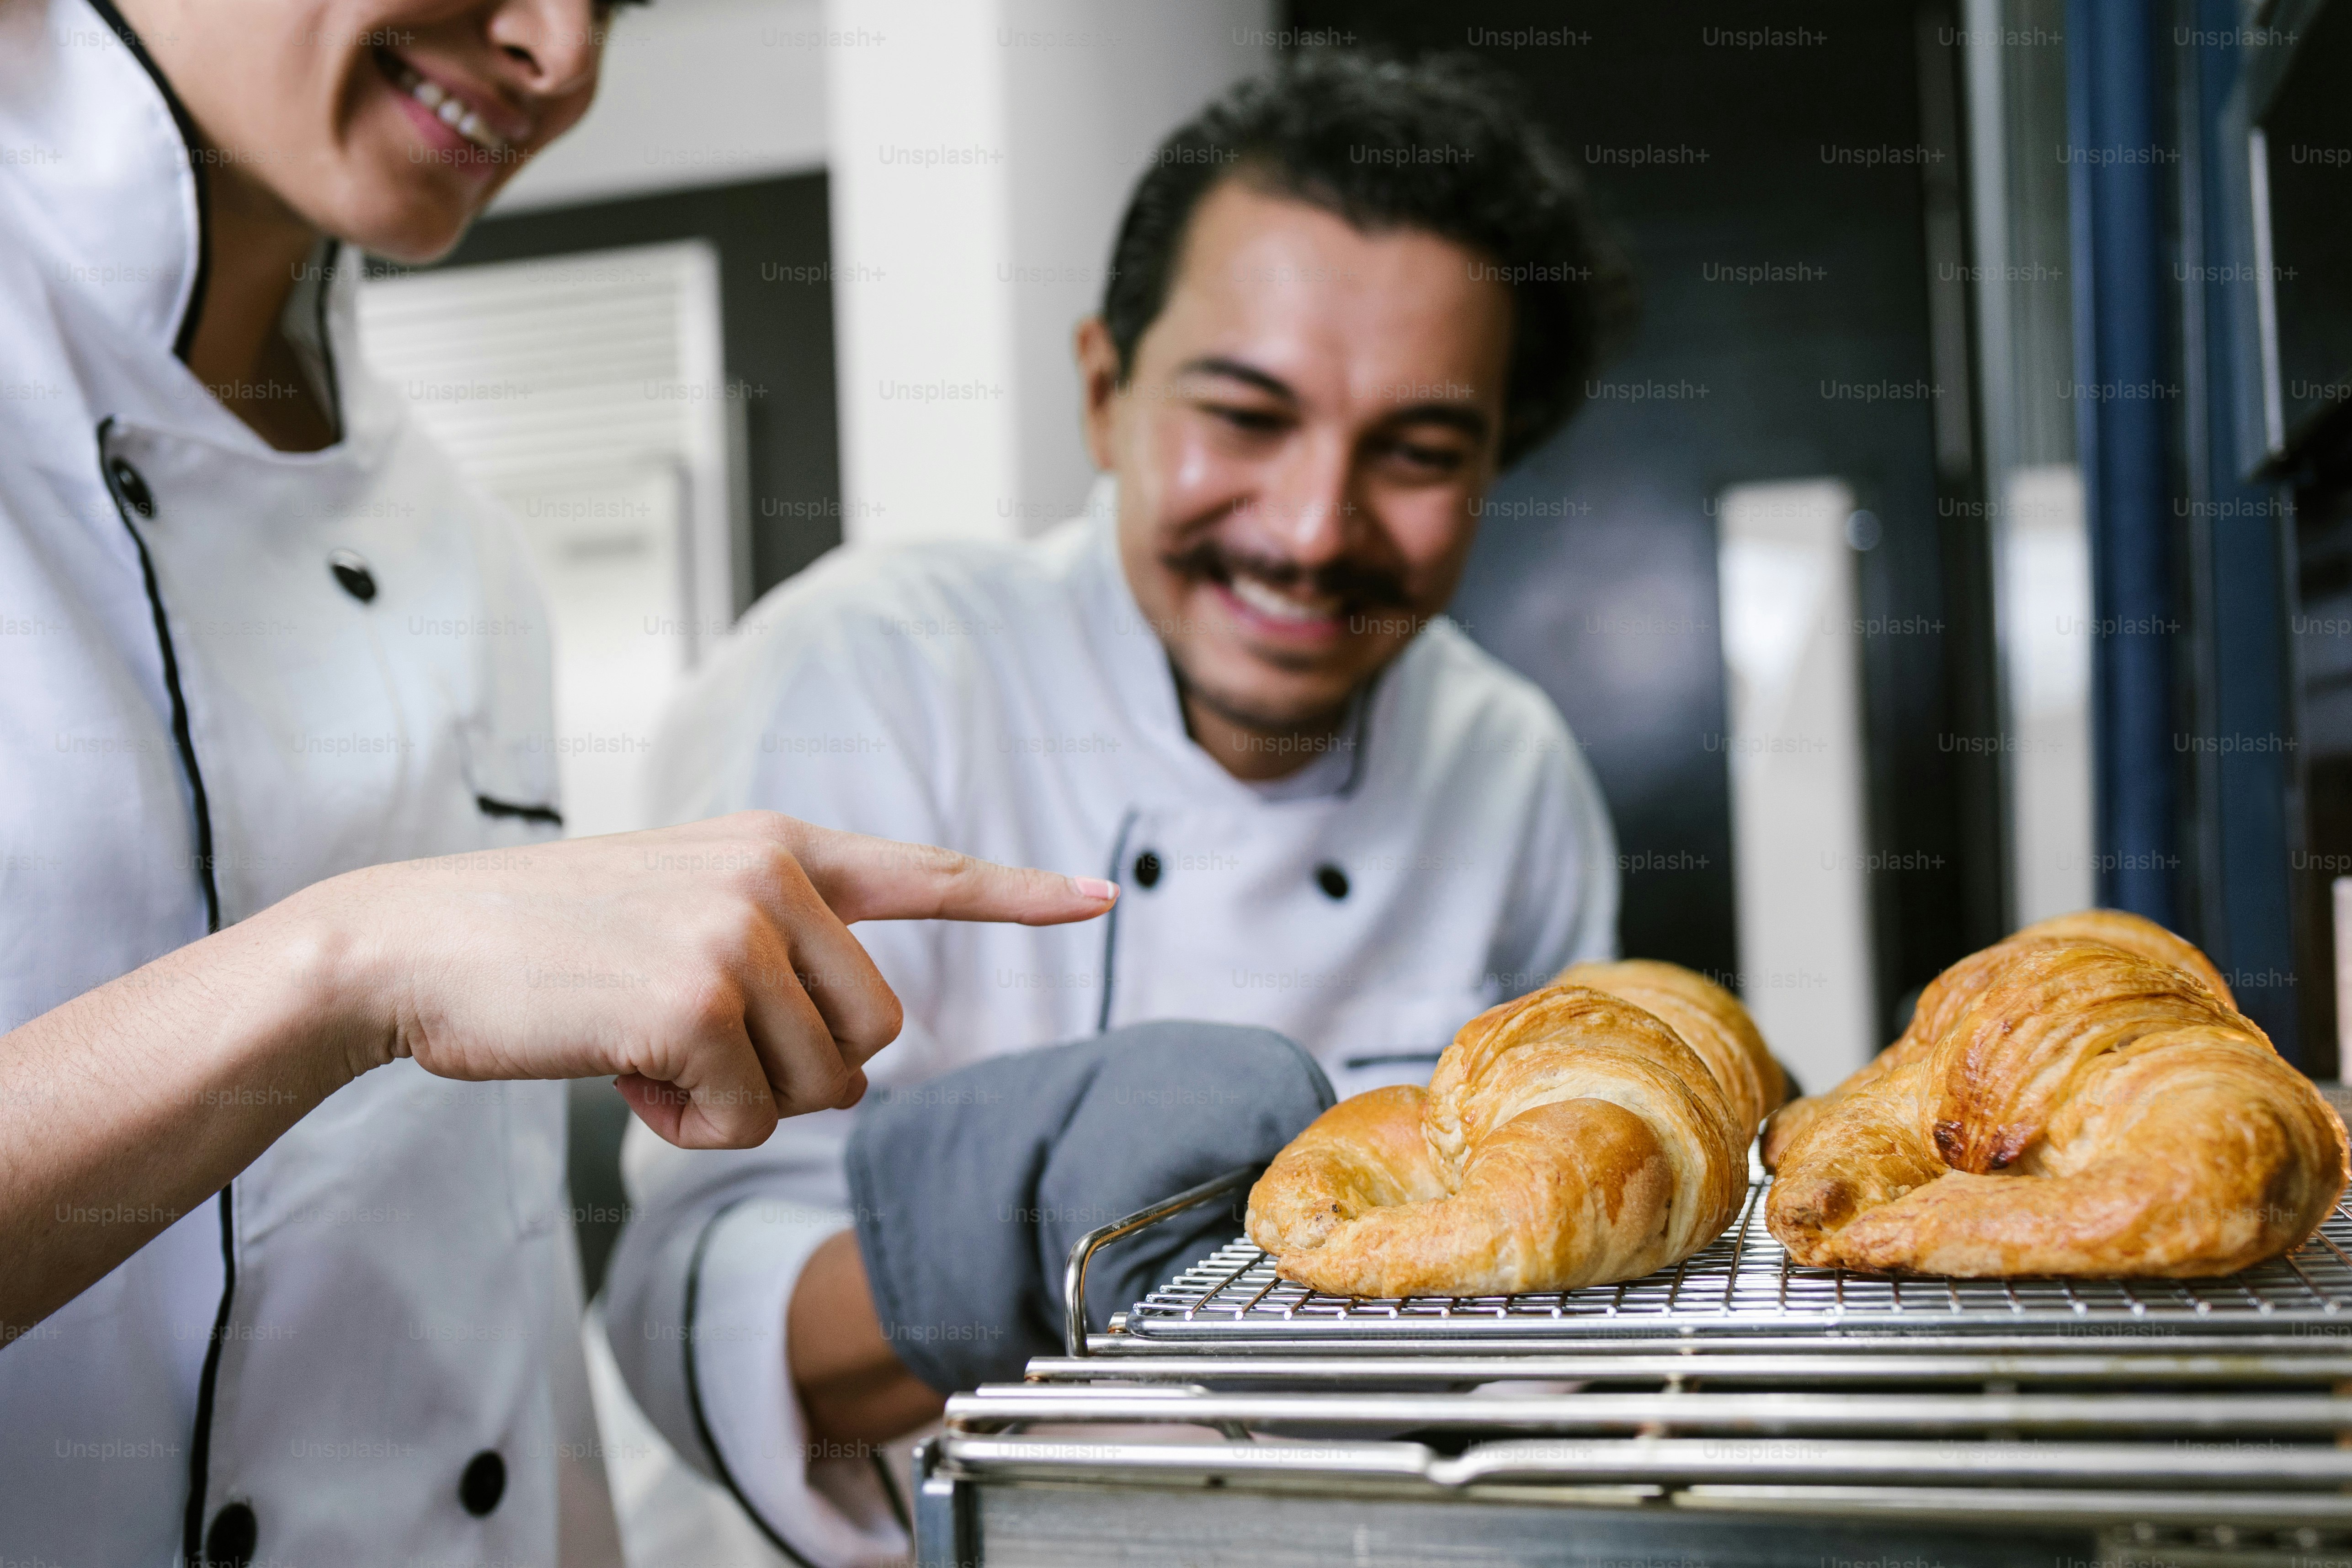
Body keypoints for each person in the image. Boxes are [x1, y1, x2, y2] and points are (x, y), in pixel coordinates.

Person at [0, 0, 1122, 1562]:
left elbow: (487, 1310)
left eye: (615, 0)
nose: (563, 55)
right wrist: (356, 962)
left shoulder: (456, 537)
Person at [601, 52, 1629, 1567]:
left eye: (1414, 453)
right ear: (1104, 391)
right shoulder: (873, 675)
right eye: (1245, 415)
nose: (1308, 529)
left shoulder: (1509, 765)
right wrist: (989, 1250)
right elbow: (696, 1297)